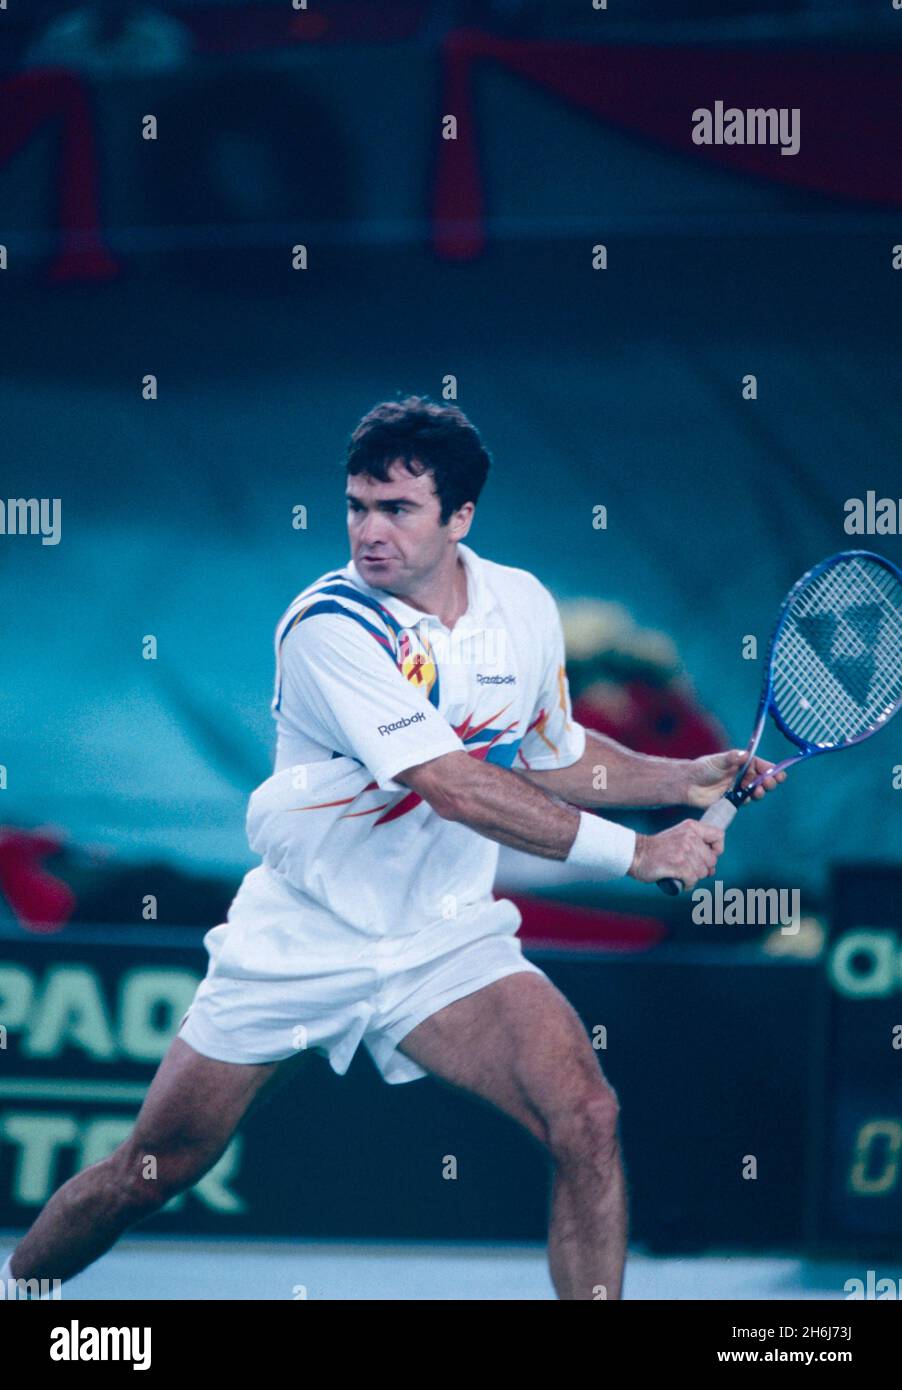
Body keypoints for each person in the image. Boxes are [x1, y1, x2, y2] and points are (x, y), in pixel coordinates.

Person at [1, 396, 782, 1301]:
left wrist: (678, 778)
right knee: (155, 1167)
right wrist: (639, 857)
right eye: (357, 506)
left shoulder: (521, 607)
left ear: (460, 518)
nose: (369, 532)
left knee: (586, 1116)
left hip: (445, 942)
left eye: (397, 509)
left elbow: (552, 755)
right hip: (302, 938)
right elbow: (452, 783)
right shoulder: (328, 626)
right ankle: (24, 1292)